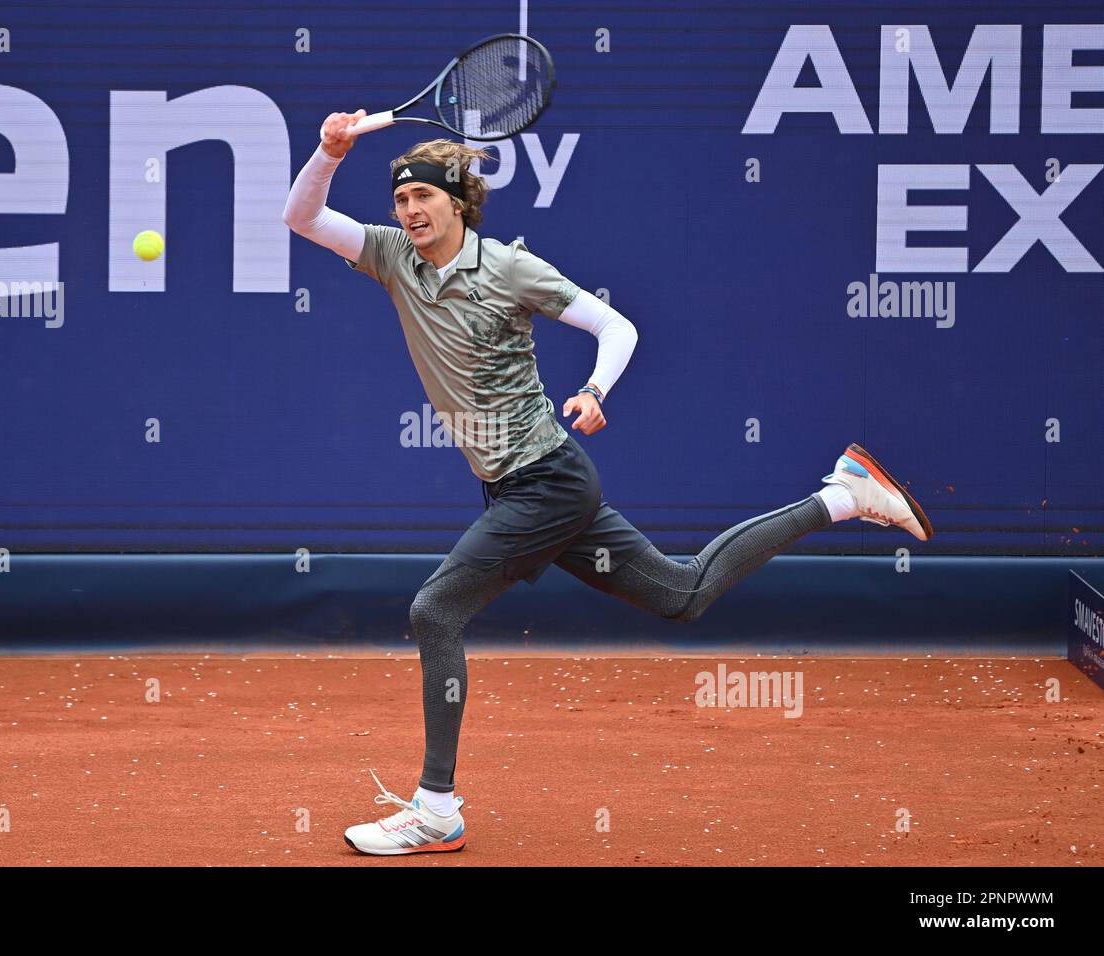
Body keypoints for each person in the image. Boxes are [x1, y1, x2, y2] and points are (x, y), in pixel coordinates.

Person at [282, 110, 935, 856]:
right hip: (519, 488)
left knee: (435, 611)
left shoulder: (510, 268)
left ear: (458, 201)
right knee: (681, 595)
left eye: (422, 198)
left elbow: (618, 328)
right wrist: (329, 153)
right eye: (400, 201)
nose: (409, 211)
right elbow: (301, 216)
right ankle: (846, 494)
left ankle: (436, 808)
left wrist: (595, 390)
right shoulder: (392, 256)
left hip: (546, 484)